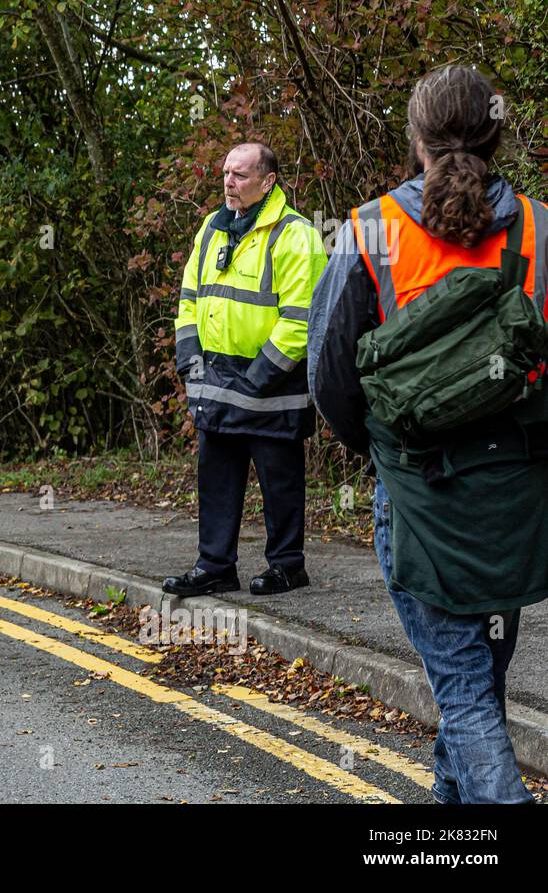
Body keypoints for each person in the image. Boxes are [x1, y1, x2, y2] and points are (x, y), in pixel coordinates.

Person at [309, 65, 546, 803]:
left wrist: (385, 447)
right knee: (474, 685)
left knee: (467, 695)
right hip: (513, 498)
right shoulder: (539, 226)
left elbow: (329, 373)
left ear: (416, 141)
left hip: (421, 495)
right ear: (499, 133)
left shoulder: (370, 228)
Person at [168, 142, 327, 598]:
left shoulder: (297, 235)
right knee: (216, 477)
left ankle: (287, 565)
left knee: (280, 481)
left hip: (270, 383)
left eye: (239, 175)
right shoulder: (211, 228)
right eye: (225, 173)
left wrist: (256, 378)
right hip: (215, 377)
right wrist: (190, 361)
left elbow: (301, 322)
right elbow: (188, 299)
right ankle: (215, 565)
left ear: (268, 180)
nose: (228, 182)